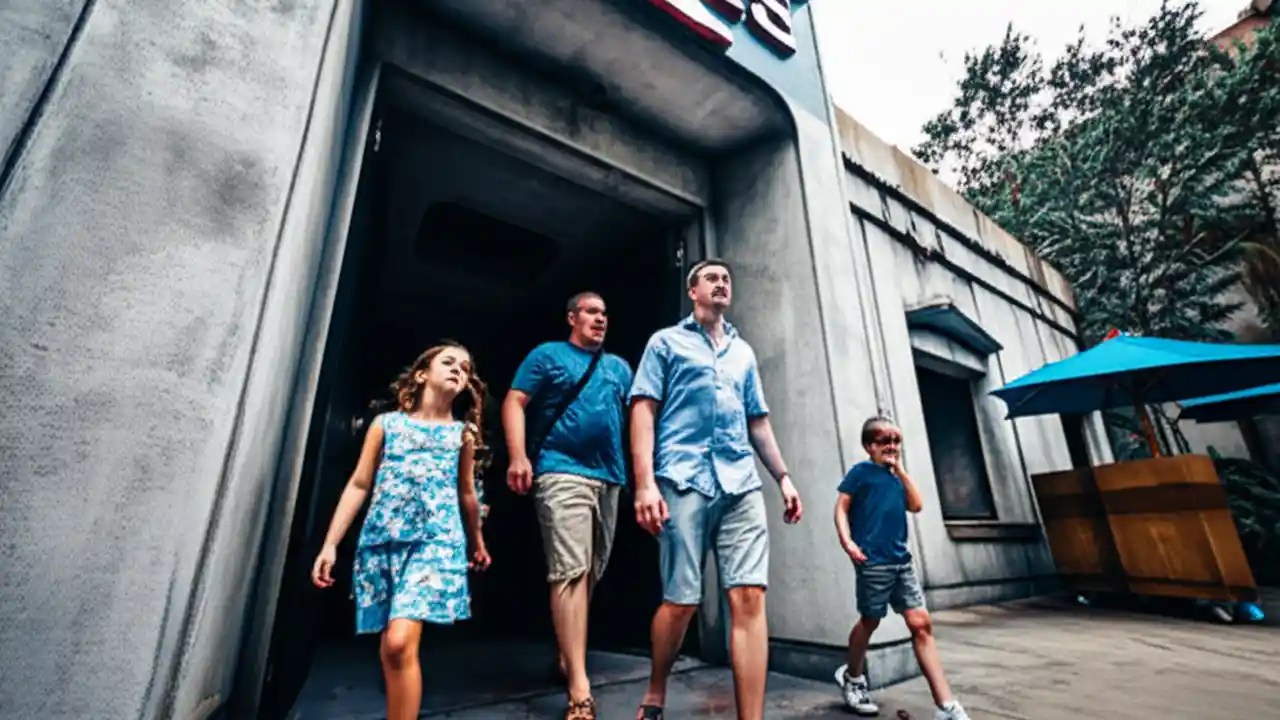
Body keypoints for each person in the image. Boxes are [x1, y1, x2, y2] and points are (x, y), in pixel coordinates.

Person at [629, 258, 803, 720]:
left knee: (748, 598)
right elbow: (643, 410)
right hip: (682, 479)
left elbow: (757, 422)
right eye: (712, 278)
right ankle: (656, 689)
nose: (722, 283)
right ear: (693, 291)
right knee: (682, 601)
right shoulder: (665, 343)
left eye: (727, 278)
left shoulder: (743, 354)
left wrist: (783, 477)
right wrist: (645, 484)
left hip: (740, 482)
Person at [310, 342, 492, 720]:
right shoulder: (386, 425)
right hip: (382, 542)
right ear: (422, 374)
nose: (458, 369)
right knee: (393, 649)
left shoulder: (462, 434)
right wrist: (330, 544)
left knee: (398, 641)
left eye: (465, 367)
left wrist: (476, 541)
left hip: (435, 543)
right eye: (449, 362)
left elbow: (467, 494)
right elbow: (360, 484)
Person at [503, 291, 633, 720]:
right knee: (570, 571)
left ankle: (567, 654)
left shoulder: (618, 367)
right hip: (561, 471)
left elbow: (637, 419)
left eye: (605, 313)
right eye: (592, 312)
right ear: (571, 317)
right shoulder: (547, 355)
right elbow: (514, 401)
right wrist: (519, 455)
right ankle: (579, 686)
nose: (601, 319)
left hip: (610, 478)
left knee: (591, 572)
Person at [834, 416, 970, 720]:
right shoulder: (860, 473)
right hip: (873, 561)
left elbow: (917, 505)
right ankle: (853, 677)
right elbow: (841, 508)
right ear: (870, 446)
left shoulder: (896, 477)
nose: (891, 447)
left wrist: (901, 471)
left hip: (901, 562)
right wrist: (848, 543)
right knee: (870, 620)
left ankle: (946, 706)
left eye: (896, 441)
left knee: (921, 624)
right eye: (884, 442)